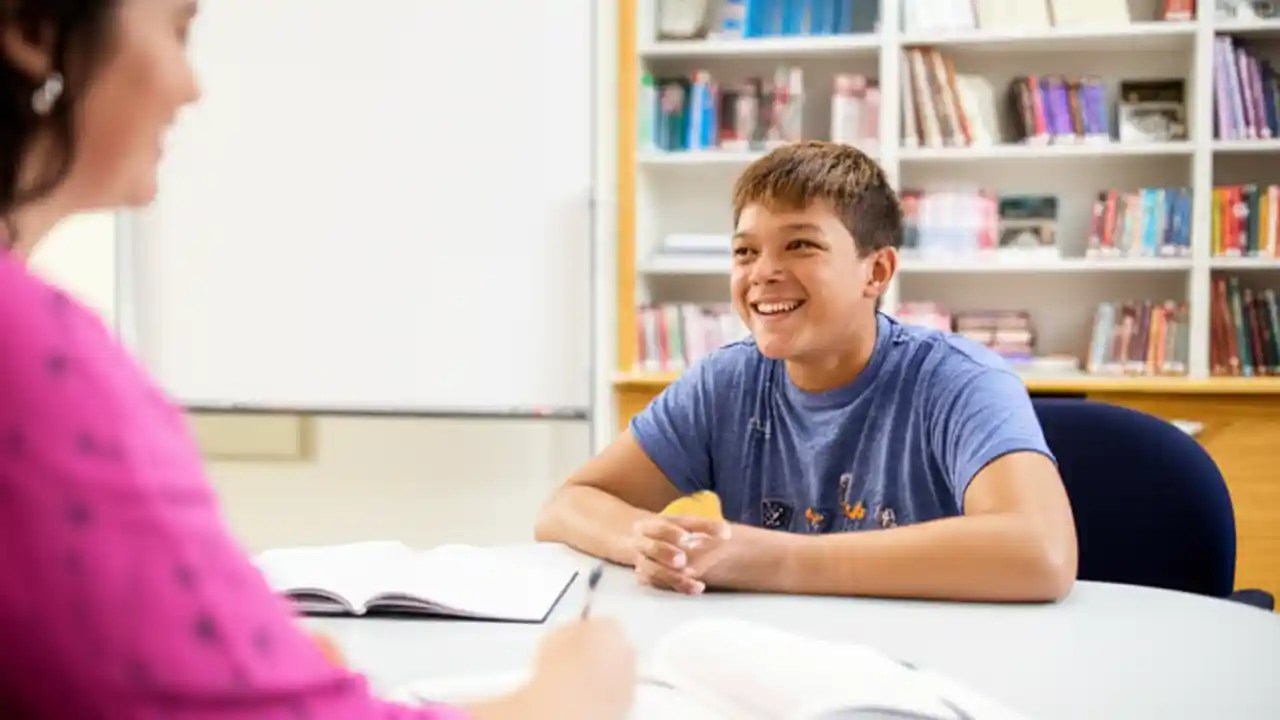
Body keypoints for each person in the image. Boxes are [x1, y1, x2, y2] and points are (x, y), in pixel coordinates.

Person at [0, 1, 635, 718]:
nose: (191, 86)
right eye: (177, 31)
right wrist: (577, 686)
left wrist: (248, 667)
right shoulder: (30, 354)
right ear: (33, 30)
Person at [535, 140, 1079, 603]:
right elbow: (567, 505)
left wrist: (774, 560)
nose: (763, 273)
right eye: (745, 252)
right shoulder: (726, 383)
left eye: (800, 245)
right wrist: (643, 540)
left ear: (877, 270)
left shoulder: (960, 380)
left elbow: (1043, 552)